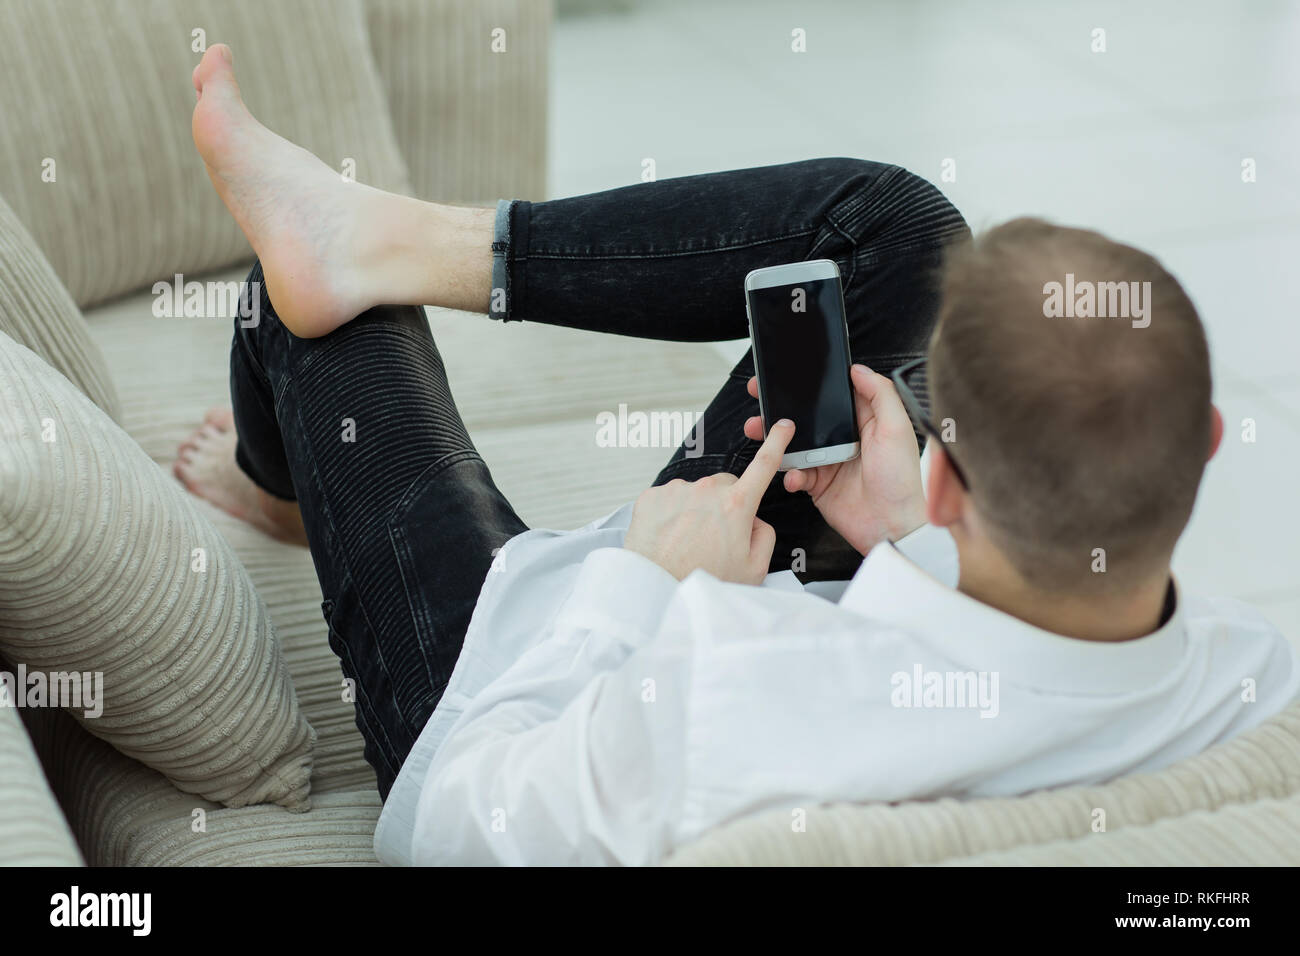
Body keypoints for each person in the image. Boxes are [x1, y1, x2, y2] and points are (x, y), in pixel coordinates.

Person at [175, 45, 1298, 865]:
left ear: (954, 474)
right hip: (824, 596)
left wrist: (646, 585)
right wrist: (904, 542)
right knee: (895, 223)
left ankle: (286, 482)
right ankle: (412, 239)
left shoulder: (725, 695)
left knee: (307, 315)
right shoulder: (1258, 679)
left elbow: (453, 825)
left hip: (511, 677)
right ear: (1204, 446)